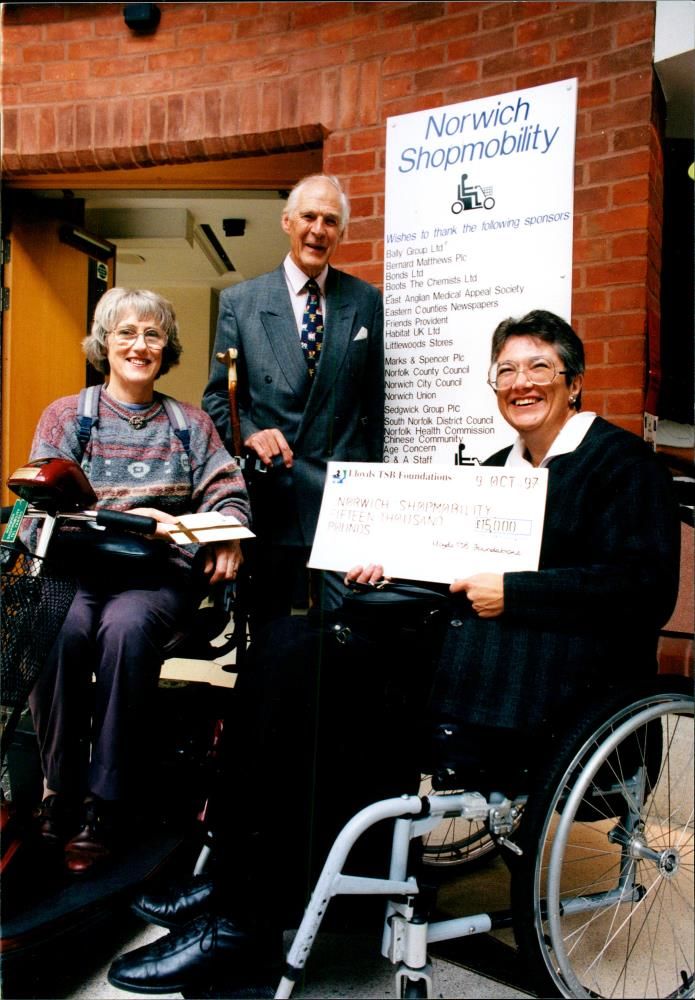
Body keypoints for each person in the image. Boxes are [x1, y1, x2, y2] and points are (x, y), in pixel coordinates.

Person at [107, 309, 680, 996]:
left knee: (327, 690)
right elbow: (454, 573)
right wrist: (389, 566)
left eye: (537, 368)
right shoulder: (499, 470)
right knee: (286, 648)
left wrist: (518, 593)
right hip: (471, 656)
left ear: (574, 383)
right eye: (505, 370)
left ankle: (243, 918)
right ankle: (233, 881)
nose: (519, 382)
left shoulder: (621, 466)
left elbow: (643, 588)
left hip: (553, 685)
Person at [26, 287, 250, 876]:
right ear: (104, 343)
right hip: (78, 569)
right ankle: (59, 790)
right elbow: (37, 503)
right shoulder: (67, 416)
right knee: (59, 630)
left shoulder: (189, 424)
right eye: (125, 332)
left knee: (124, 631)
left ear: (166, 347)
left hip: (155, 576)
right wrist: (113, 517)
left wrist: (226, 531)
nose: (139, 345)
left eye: (152, 334)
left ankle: (104, 803)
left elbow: (228, 490)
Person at [202, 173, 384, 629]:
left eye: (330, 220)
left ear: (341, 231)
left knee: (346, 631)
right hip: (273, 495)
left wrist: (377, 494)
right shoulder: (241, 302)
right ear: (287, 221)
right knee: (271, 635)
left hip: (345, 498)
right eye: (308, 216)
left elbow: (375, 406)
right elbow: (217, 402)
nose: (318, 229)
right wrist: (251, 434)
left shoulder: (365, 301)